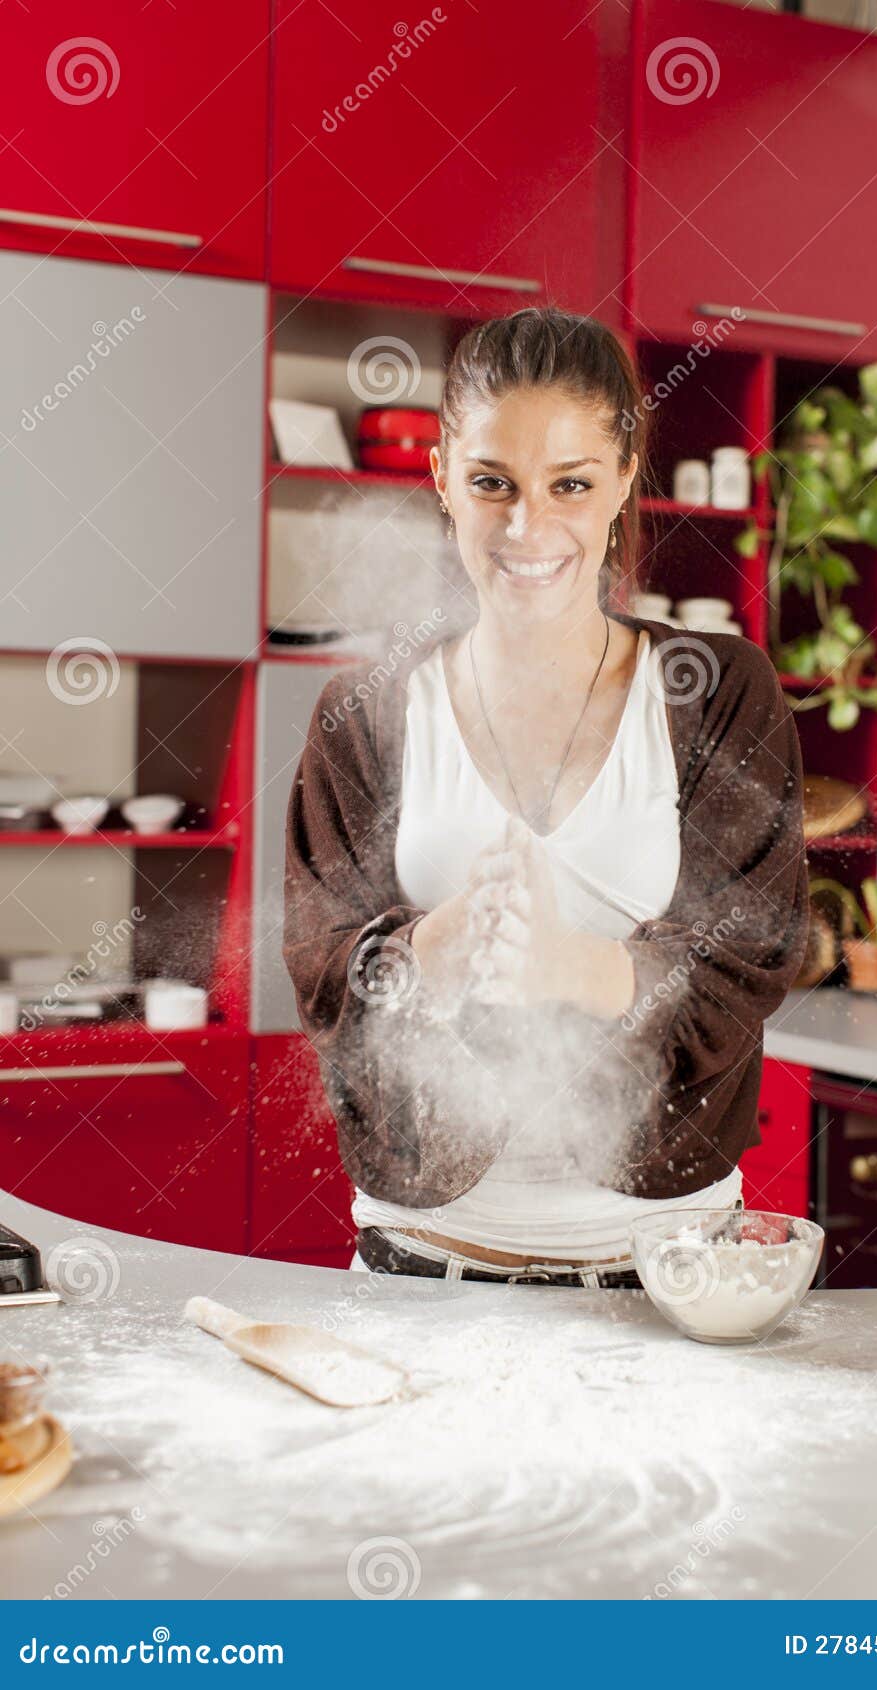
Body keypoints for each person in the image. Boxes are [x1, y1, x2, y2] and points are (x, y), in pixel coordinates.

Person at [283, 306, 809, 1288]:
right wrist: (428, 951)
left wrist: (568, 966)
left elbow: (749, 956)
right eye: (493, 482)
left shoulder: (716, 692)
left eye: (569, 484)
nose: (528, 528)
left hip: (666, 1281)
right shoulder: (364, 709)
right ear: (442, 475)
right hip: (421, 1269)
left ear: (621, 481)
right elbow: (323, 977)